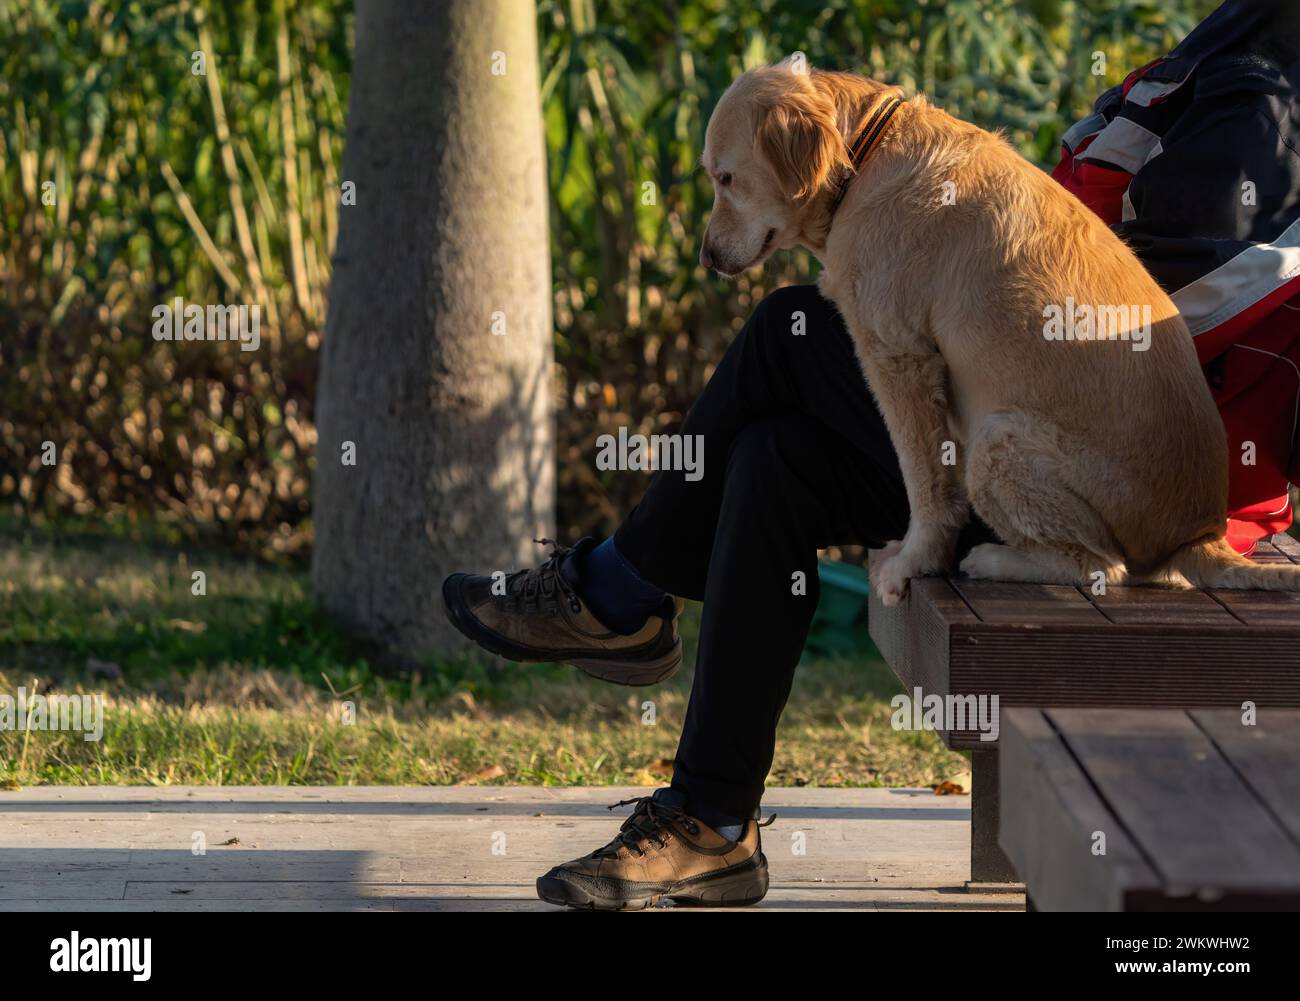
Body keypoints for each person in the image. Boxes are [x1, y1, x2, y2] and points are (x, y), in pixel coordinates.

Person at [441, 0, 1300, 910]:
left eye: (728, 187)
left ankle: (620, 592)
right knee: (775, 458)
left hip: (1093, 472)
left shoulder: (1265, 99)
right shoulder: (1224, 54)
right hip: (1020, 426)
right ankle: (712, 821)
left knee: (787, 329)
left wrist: (979, 267)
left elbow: (1176, 300)